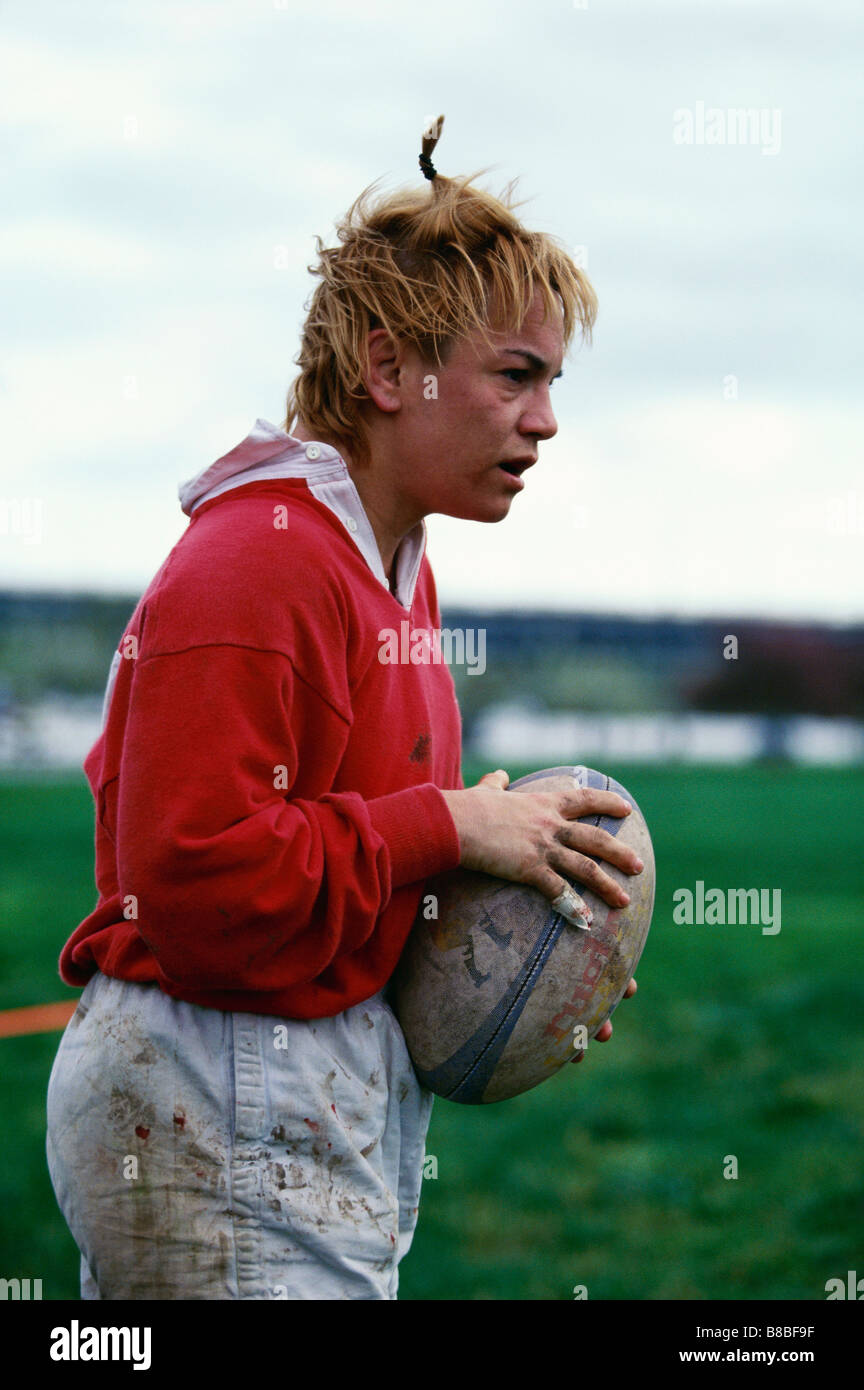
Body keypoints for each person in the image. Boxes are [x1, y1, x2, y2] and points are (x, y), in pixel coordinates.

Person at [45, 118, 643, 1300]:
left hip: (292, 1095)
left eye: (552, 382)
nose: (546, 421)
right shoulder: (255, 566)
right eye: (515, 374)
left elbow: (354, 862)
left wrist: (527, 962)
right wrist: (452, 827)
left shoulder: (395, 563)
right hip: (209, 1096)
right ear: (388, 372)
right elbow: (202, 881)